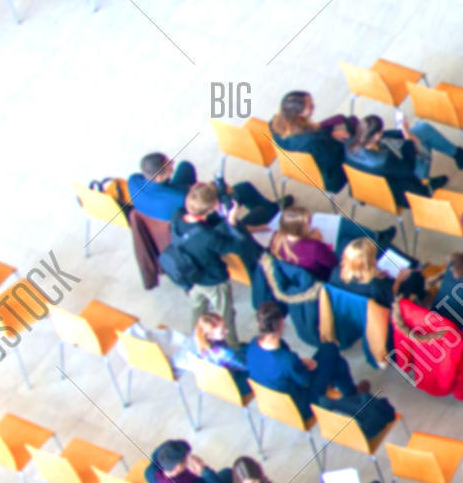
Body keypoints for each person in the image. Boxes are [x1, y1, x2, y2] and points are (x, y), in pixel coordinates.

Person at [248, 300, 397, 437]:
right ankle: (351, 394)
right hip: (303, 403)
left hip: (274, 402)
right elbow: (305, 380)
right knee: (330, 349)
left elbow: (282, 369)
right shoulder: (287, 360)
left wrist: (300, 363)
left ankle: (350, 393)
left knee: (334, 361)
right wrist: (306, 365)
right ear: (279, 324)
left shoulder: (253, 346)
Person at [165, 182, 260, 340]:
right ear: (211, 208)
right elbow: (238, 246)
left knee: (197, 309)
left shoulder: (177, 215)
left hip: (189, 275)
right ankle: (232, 346)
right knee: (225, 316)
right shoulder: (208, 237)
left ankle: (197, 339)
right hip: (212, 281)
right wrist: (232, 221)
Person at [128, 150, 278, 226]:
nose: (173, 165)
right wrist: (202, 190)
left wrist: (189, 187)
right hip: (185, 214)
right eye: (169, 166)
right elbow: (193, 199)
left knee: (185, 167)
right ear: (159, 177)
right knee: (244, 189)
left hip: (156, 205)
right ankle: (274, 210)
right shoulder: (180, 197)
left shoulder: (133, 180)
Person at [269, 90, 353, 193]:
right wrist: (335, 141)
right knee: (352, 131)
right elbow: (331, 160)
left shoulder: (274, 124)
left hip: (295, 164)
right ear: (299, 113)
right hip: (330, 177)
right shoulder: (312, 139)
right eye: (310, 106)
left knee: (340, 119)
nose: (314, 106)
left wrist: (329, 134)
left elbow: (314, 137)